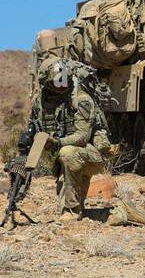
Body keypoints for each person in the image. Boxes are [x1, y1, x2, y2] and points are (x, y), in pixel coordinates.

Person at [31, 56, 111, 220]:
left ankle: (72, 211)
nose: (61, 86)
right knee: (63, 171)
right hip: (66, 156)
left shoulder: (80, 99)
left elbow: (82, 137)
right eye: (55, 83)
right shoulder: (40, 101)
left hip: (91, 153)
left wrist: (56, 143)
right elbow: (34, 127)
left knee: (67, 153)